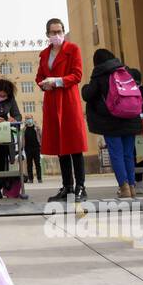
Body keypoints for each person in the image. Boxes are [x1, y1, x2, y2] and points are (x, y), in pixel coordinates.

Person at [36, 18, 89, 202]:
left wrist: (57, 81)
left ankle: (80, 186)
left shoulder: (72, 49)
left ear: (64, 32)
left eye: (60, 31)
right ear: (47, 34)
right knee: (61, 146)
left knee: (74, 145)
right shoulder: (44, 54)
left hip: (68, 100)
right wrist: (44, 84)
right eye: (53, 32)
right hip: (51, 101)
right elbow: (39, 76)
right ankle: (67, 186)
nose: (57, 35)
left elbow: (77, 74)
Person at [82, 49, 143, 199]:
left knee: (117, 155)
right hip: (130, 118)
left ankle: (124, 188)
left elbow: (88, 94)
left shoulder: (99, 74)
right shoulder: (126, 71)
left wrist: (84, 88)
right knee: (128, 155)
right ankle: (132, 186)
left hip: (111, 122)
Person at [22, 115, 42, 183]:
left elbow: (41, 136)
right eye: (27, 119)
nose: (28, 120)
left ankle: (39, 178)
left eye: (29, 118)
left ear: (32, 119)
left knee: (37, 164)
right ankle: (30, 179)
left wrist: (41, 145)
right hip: (28, 149)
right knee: (29, 164)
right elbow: (22, 139)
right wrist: (22, 147)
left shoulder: (37, 128)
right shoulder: (24, 129)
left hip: (36, 148)